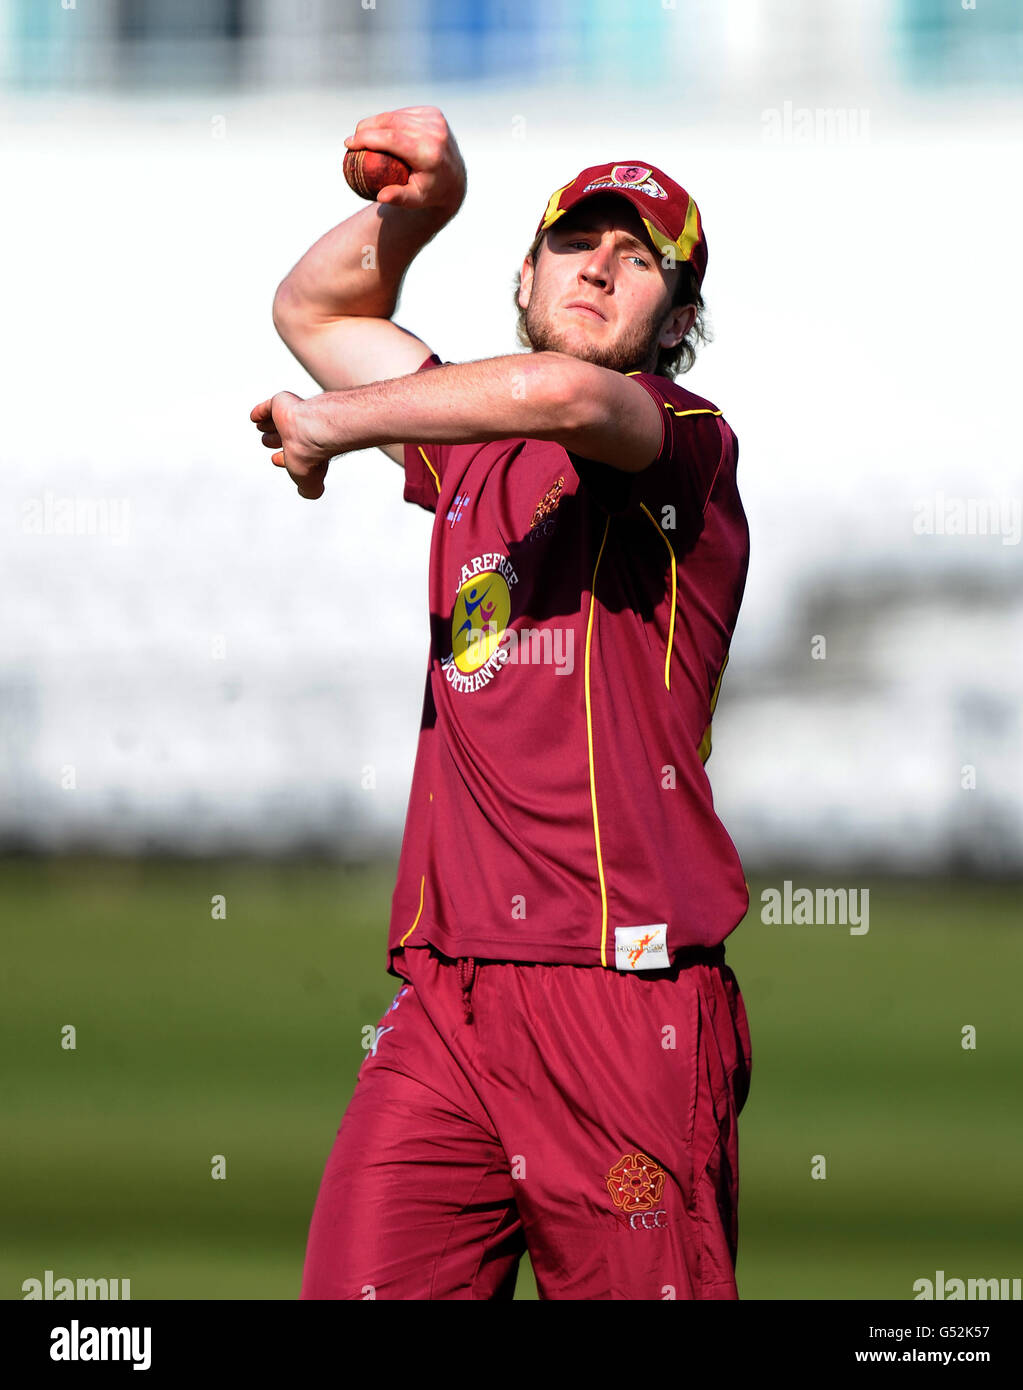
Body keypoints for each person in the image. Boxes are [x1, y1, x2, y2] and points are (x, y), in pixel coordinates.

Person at [250, 106, 752, 1300]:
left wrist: (330, 422)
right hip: (449, 1006)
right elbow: (312, 314)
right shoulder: (468, 445)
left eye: (637, 259)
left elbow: (562, 399)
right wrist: (416, 210)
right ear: (524, 273)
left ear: (674, 324)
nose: (598, 265)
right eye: (573, 242)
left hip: (625, 1004)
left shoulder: (678, 442)